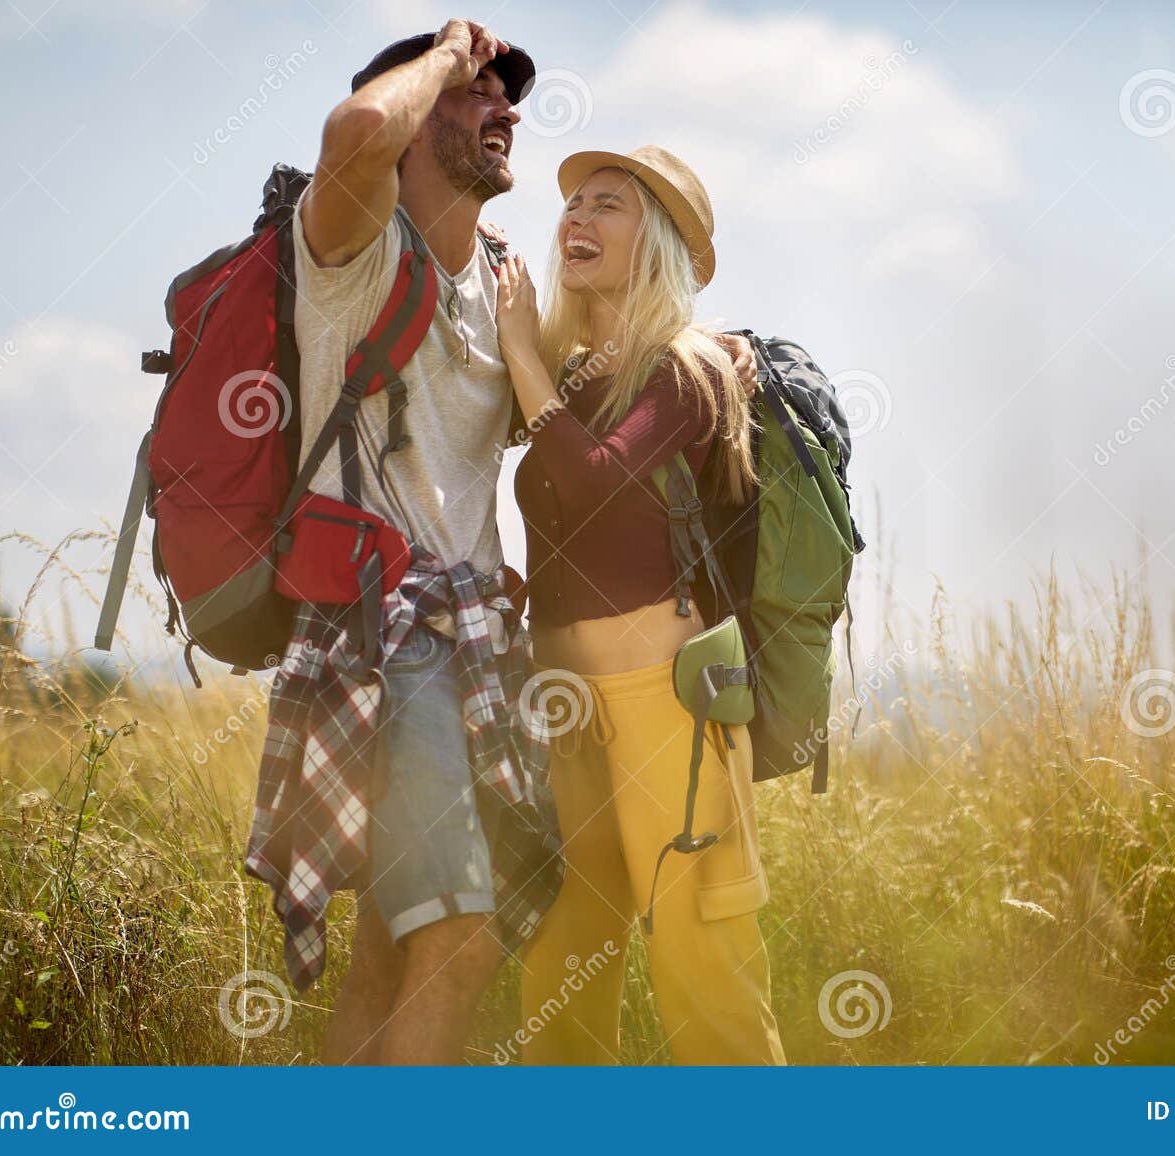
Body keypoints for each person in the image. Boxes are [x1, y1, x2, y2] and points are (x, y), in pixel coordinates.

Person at [277, 24, 759, 1065]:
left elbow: (587, 465)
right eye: (473, 92)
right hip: (469, 668)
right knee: (511, 951)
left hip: (601, 688)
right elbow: (360, 133)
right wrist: (447, 52)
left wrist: (625, 350)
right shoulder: (387, 253)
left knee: (674, 966)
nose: (506, 111)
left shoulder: (603, 340)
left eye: (610, 202)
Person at [494, 146, 786, 1063]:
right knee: (560, 970)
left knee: (704, 969)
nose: (576, 218)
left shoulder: (688, 367)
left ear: (652, 241)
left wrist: (518, 351)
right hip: (562, 710)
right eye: (573, 203)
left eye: (606, 205)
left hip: (668, 706)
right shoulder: (572, 374)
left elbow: (591, 481)